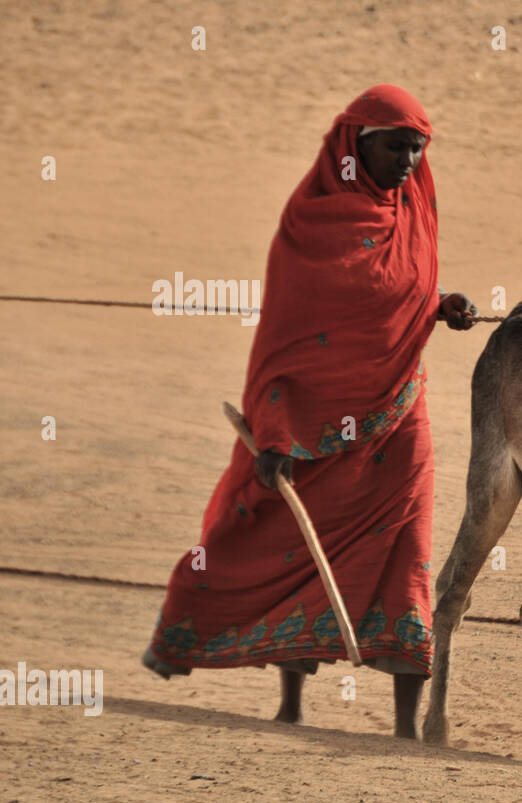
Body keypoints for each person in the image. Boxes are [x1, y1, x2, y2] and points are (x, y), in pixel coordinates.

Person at [142, 85, 473, 737]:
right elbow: (285, 340)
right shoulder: (310, 223)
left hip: (400, 417)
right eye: (395, 147)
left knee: (407, 552)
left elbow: (401, 290)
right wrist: (273, 434)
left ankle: (405, 729)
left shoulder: (413, 206)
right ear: (356, 147)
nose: (408, 161)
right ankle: (290, 704)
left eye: (417, 148)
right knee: (297, 547)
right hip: (315, 429)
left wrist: (441, 304)